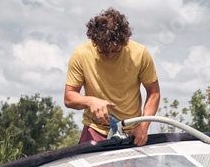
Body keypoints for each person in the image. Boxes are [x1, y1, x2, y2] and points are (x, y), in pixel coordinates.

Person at [64, 8, 160, 146]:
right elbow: (69, 97)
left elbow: (154, 92)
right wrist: (90, 101)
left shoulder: (140, 54)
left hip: (132, 133)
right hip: (95, 130)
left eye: (115, 50)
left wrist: (143, 127)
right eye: (103, 50)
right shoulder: (80, 54)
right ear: (94, 40)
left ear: (125, 41)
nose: (109, 54)